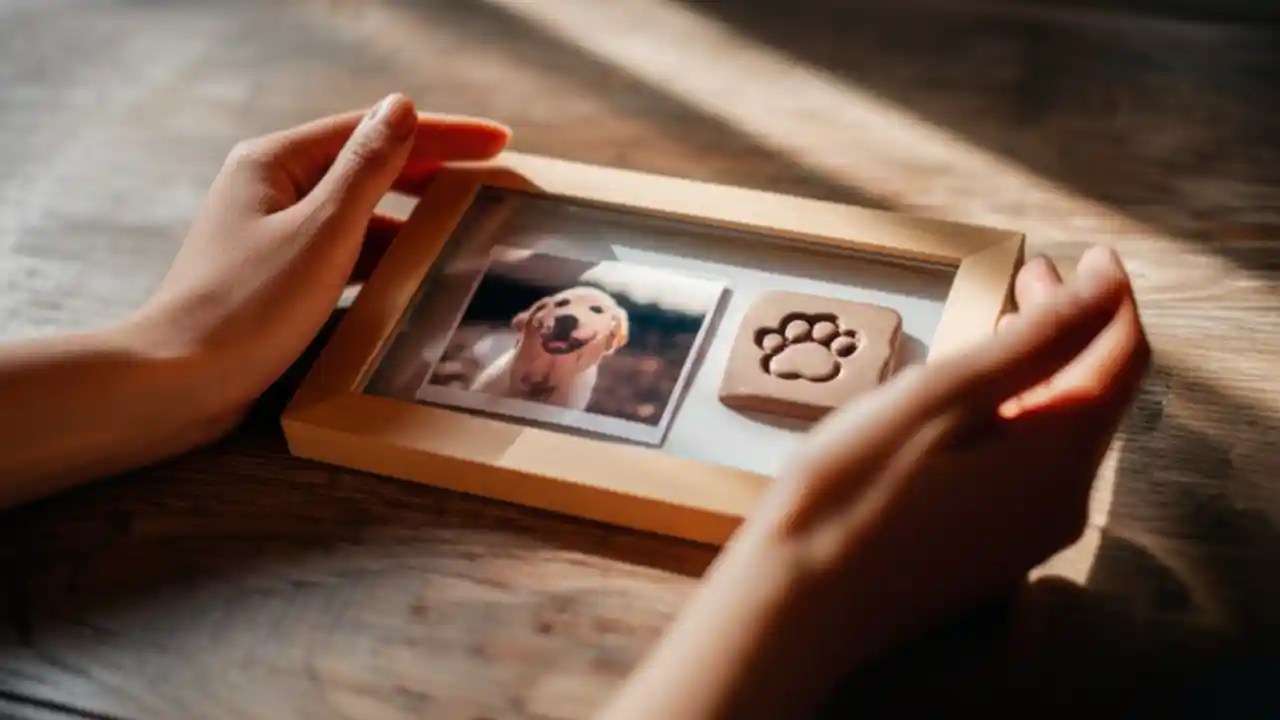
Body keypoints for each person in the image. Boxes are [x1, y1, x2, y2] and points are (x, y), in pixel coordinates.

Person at [0, 95, 1149, 718]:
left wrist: (172, 365)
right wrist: (801, 585)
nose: (565, 323)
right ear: (527, 320)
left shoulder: (597, 354)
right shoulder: (508, 347)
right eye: (557, 315)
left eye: (590, 320)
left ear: (606, 337)